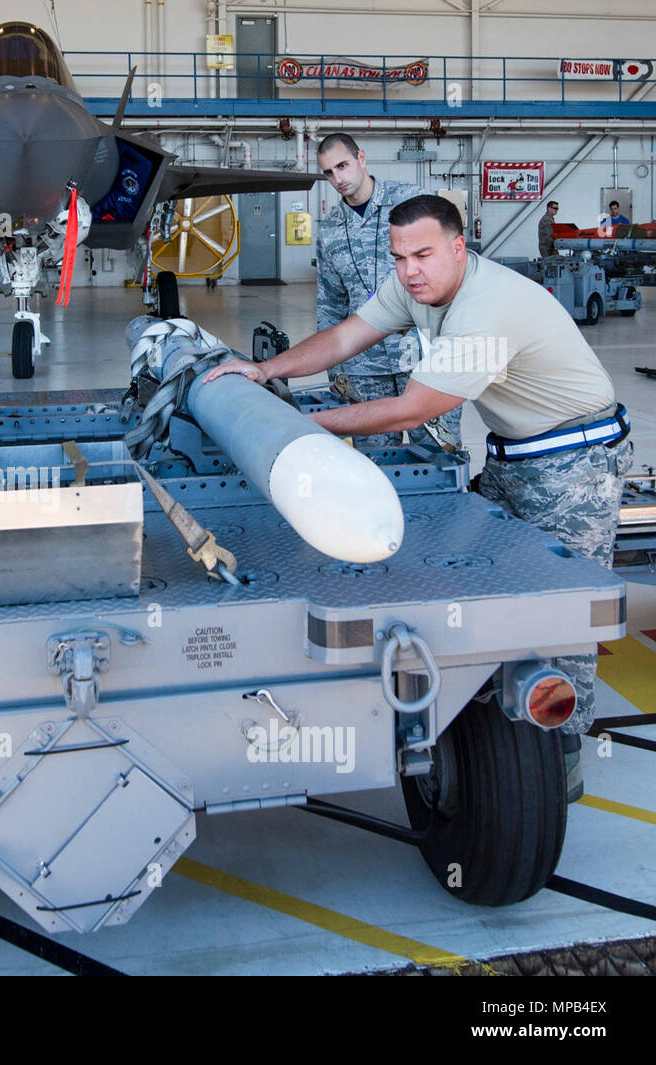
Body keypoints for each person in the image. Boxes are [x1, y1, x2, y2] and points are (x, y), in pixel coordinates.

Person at [203, 194, 632, 801]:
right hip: (516, 453)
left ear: (459, 248)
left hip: (574, 462)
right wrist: (267, 372)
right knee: (505, 588)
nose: (409, 269)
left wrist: (302, 429)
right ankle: (495, 717)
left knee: (560, 610)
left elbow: (414, 408)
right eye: (399, 256)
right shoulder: (419, 285)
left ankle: (559, 759)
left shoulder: (488, 306)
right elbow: (347, 335)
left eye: (423, 254)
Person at [314, 133, 460, 450]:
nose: (338, 178)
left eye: (343, 165)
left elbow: (454, 271)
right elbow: (330, 304)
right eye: (329, 172)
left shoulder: (411, 202)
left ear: (361, 158)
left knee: (441, 456)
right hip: (364, 368)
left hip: (423, 361)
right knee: (375, 463)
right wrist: (336, 373)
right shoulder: (329, 228)